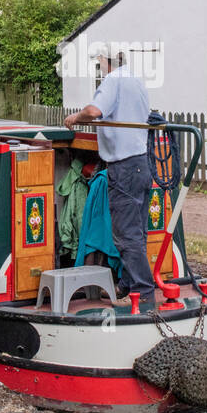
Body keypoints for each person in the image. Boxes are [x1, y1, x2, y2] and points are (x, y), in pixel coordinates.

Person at [65, 43, 154, 306]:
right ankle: (127, 284)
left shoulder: (113, 80)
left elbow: (94, 112)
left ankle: (143, 294)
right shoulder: (135, 80)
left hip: (124, 167)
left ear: (105, 61)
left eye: (99, 61)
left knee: (126, 235)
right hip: (141, 163)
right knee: (137, 231)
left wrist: (74, 118)